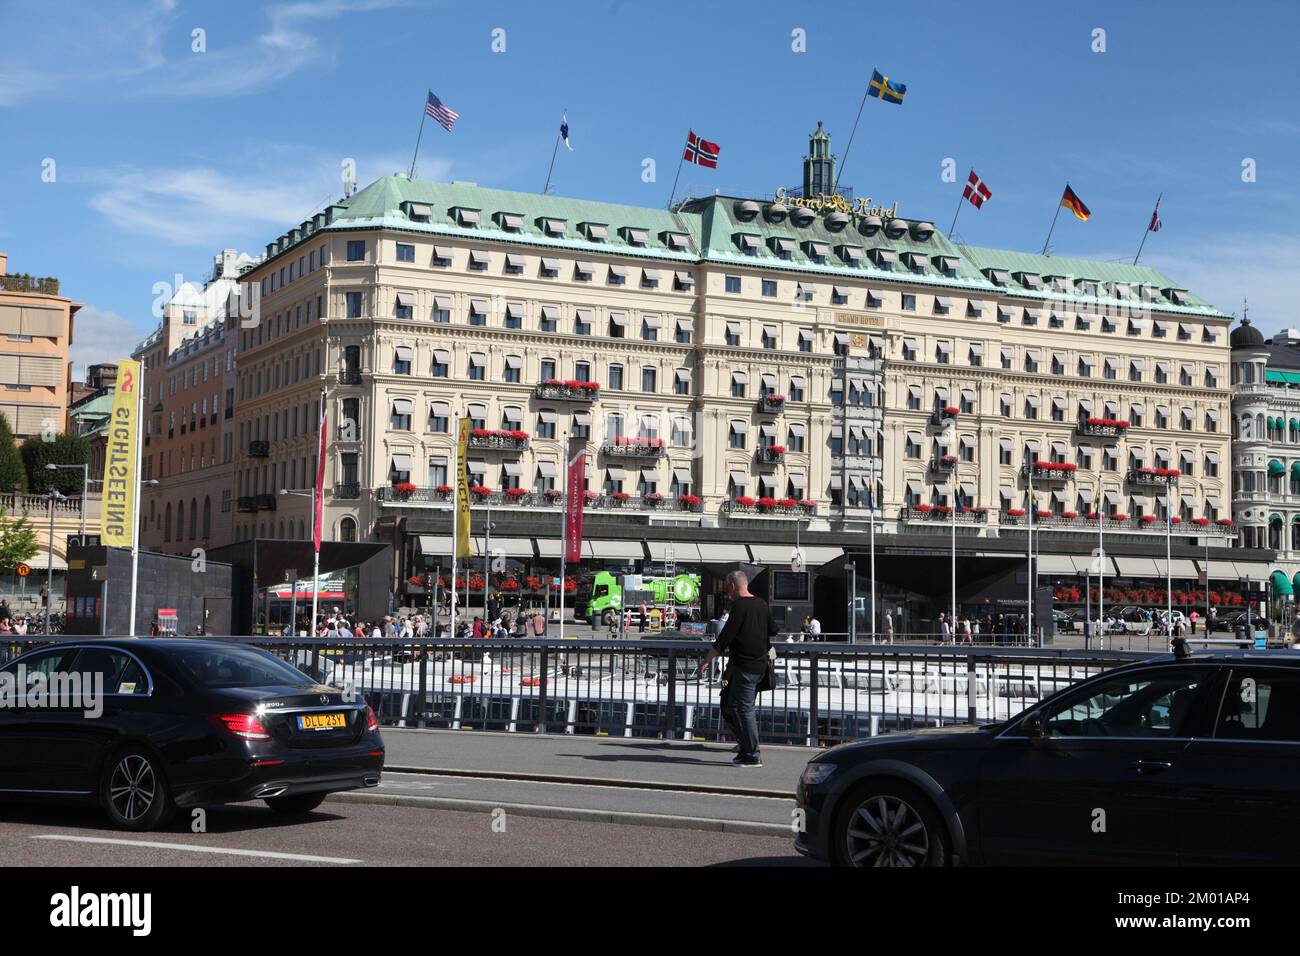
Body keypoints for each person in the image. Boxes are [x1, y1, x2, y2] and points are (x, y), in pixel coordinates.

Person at [695, 570, 777, 768]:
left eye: (728, 587)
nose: (728, 591)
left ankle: (752, 754)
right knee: (732, 704)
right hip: (760, 666)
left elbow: (724, 638)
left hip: (745, 667)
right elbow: (773, 630)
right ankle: (745, 749)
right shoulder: (762, 604)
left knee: (744, 709)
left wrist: (706, 662)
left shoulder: (739, 606)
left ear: (733, 585)